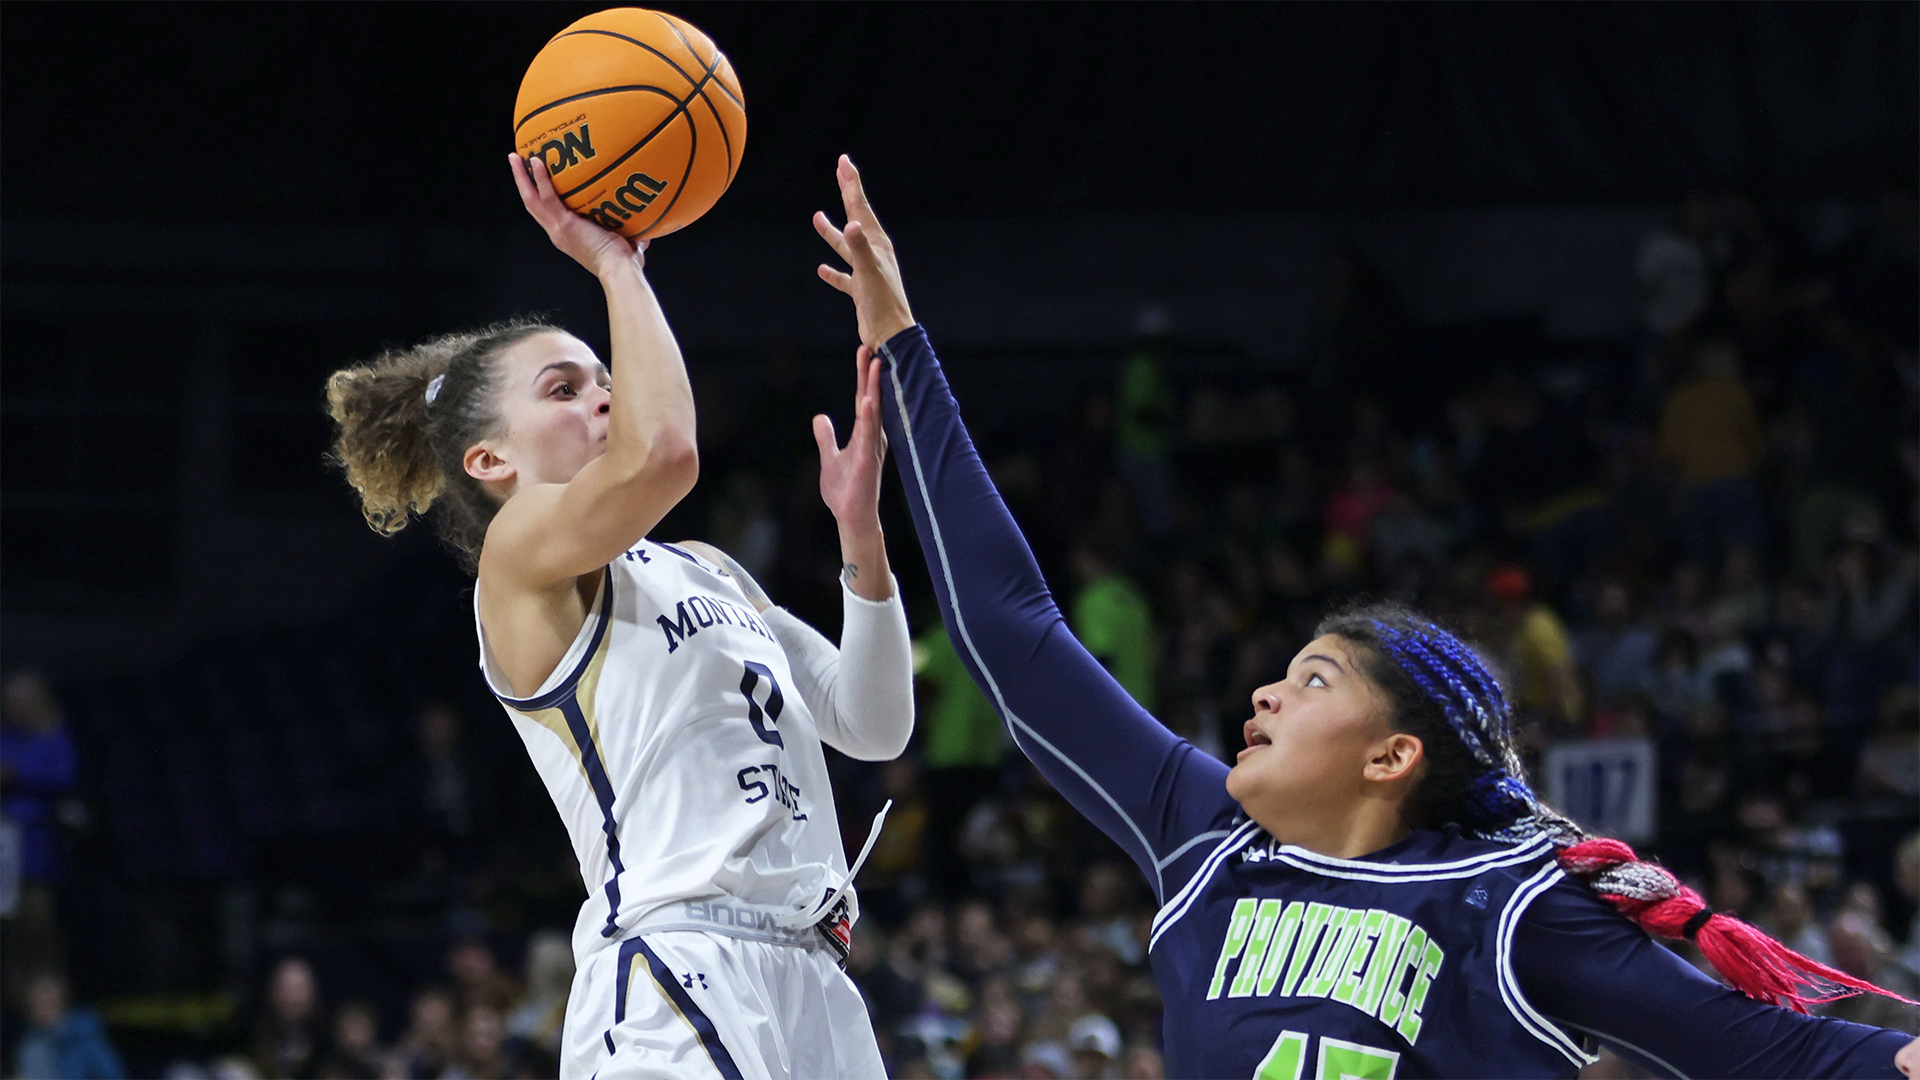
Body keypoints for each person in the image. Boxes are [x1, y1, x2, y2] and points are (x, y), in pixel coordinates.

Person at [807, 155, 1920, 1077]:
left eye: (1313, 679)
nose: (1263, 694)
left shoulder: (1509, 904)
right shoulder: (1201, 835)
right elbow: (1015, 632)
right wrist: (902, 345)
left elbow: (1772, 1052)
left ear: (1392, 755)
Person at [324, 153, 916, 1079]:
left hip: (814, 980)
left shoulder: (706, 567)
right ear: (490, 461)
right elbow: (666, 453)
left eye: (605, 377)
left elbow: (872, 724)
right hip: (674, 968)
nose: (605, 393)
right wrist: (614, 264)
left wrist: (862, 543)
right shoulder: (518, 558)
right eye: (563, 389)